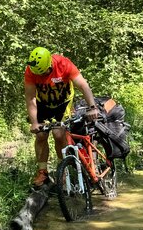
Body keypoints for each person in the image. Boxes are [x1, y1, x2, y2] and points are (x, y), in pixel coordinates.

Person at [24, 46, 99, 187]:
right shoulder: (31, 70)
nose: (41, 77)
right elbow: (30, 98)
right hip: (43, 104)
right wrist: (34, 122)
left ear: (50, 64)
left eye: (43, 73)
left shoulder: (63, 64)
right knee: (40, 135)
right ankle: (42, 172)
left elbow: (83, 85)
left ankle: (62, 170)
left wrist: (92, 107)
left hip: (63, 103)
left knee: (59, 134)